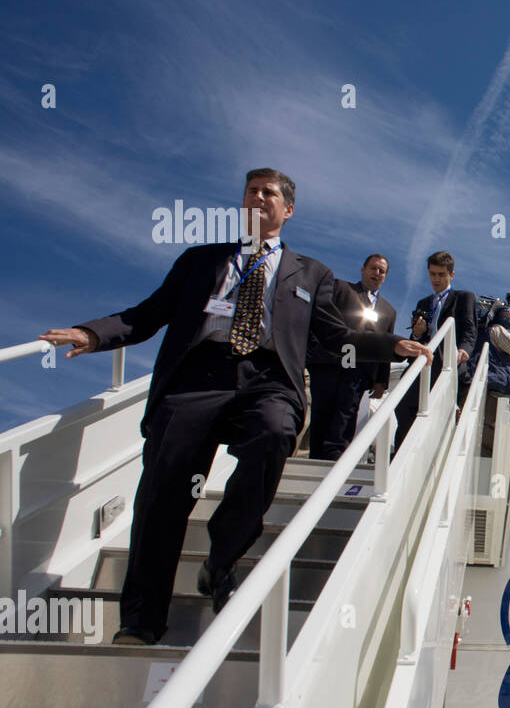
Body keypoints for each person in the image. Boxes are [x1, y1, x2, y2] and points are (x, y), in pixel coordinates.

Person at [38, 168, 433, 645]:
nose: (258, 197)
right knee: (163, 495)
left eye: (269, 193)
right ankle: (141, 622)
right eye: (251, 191)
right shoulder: (201, 260)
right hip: (196, 378)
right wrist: (93, 333)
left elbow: (335, 336)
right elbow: (148, 314)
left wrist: (393, 346)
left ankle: (222, 556)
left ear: (288, 209)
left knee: (275, 433)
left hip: (268, 379)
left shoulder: (312, 274)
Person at [305, 253, 397, 460]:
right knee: (323, 409)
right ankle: (317, 456)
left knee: (347, 411)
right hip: (330, 362)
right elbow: (321, 322)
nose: (377, 273)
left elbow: (386, 346)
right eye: (373, 268)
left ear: (385, 277)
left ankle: (337, 456)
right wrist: (310, 355)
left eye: (382, 271)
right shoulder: (341, 289)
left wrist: (381, 380)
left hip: (360, 368)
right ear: (363, 269)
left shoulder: (389, 311)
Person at [393, 251, 476, 451]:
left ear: (451, 275)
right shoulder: (423, 303)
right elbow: (417, 338)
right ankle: (401, 454)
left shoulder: (464, 298)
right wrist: (417, 334)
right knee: (404, 406)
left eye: (441, 274)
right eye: (432, 274)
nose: (435, 279)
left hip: (449, 361)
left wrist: (464, 350)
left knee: (437, 414)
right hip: (423, 362)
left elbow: (469, 329)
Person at [462, 301, 510, 457]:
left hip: (474, 385)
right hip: (492, 389)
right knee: (492, 437)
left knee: (478, 433)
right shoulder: (495, 330)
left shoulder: (473, 334)